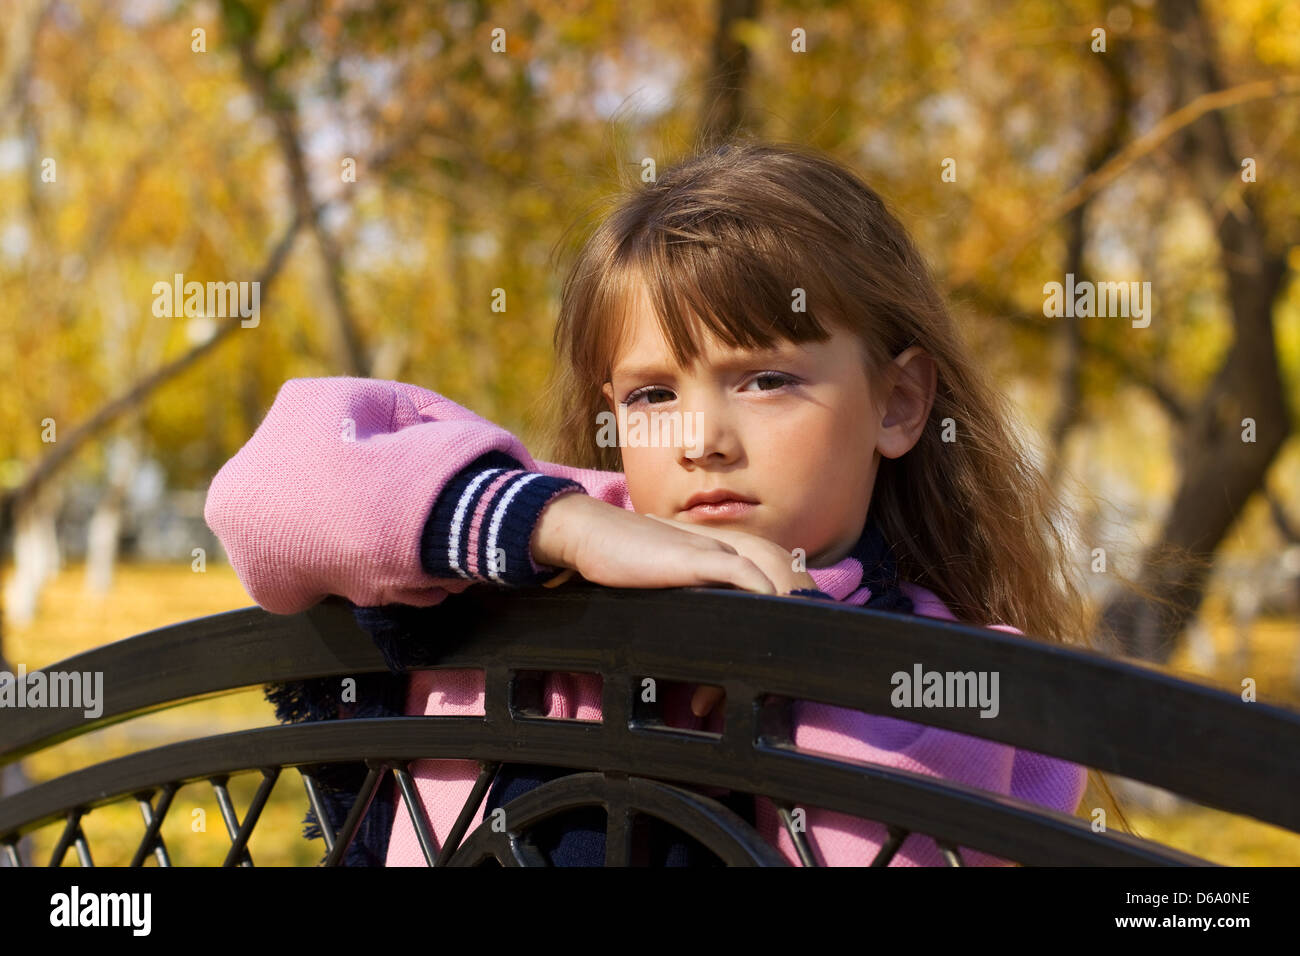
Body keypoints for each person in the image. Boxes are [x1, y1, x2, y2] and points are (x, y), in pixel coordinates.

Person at [204, 139, 1112, 866]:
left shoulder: (953, 675)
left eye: (764, 379)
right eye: (651, 395)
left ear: (899, 403)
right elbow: (264, 492)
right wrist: (560, 526)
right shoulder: (538, 544)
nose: (701, 439)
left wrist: (773, 663)